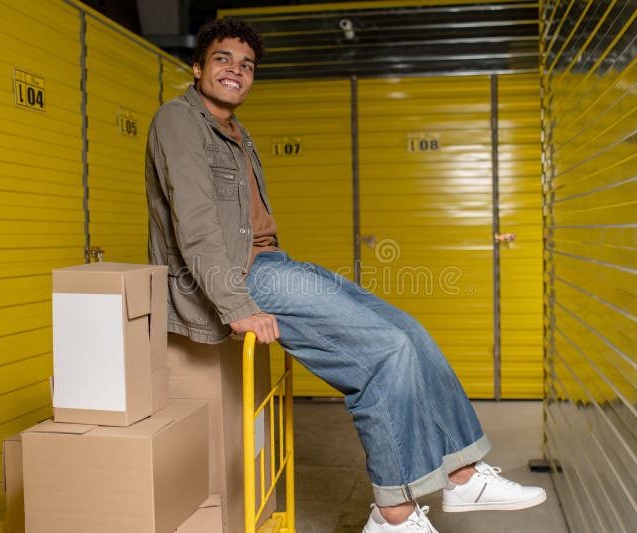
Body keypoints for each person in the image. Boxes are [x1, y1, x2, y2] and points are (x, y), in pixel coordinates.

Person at [145, 17, 546, 533]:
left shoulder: (235, 133)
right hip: (243, 278)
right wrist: (238, 308)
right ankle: (394, 514)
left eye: (247, 65)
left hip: (273, 264)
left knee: (410, 333)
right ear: (198, 66)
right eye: (223, 59)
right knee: (384, 352)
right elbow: (196, 225)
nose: (236, 72)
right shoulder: (178, 121)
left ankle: (464, 478)